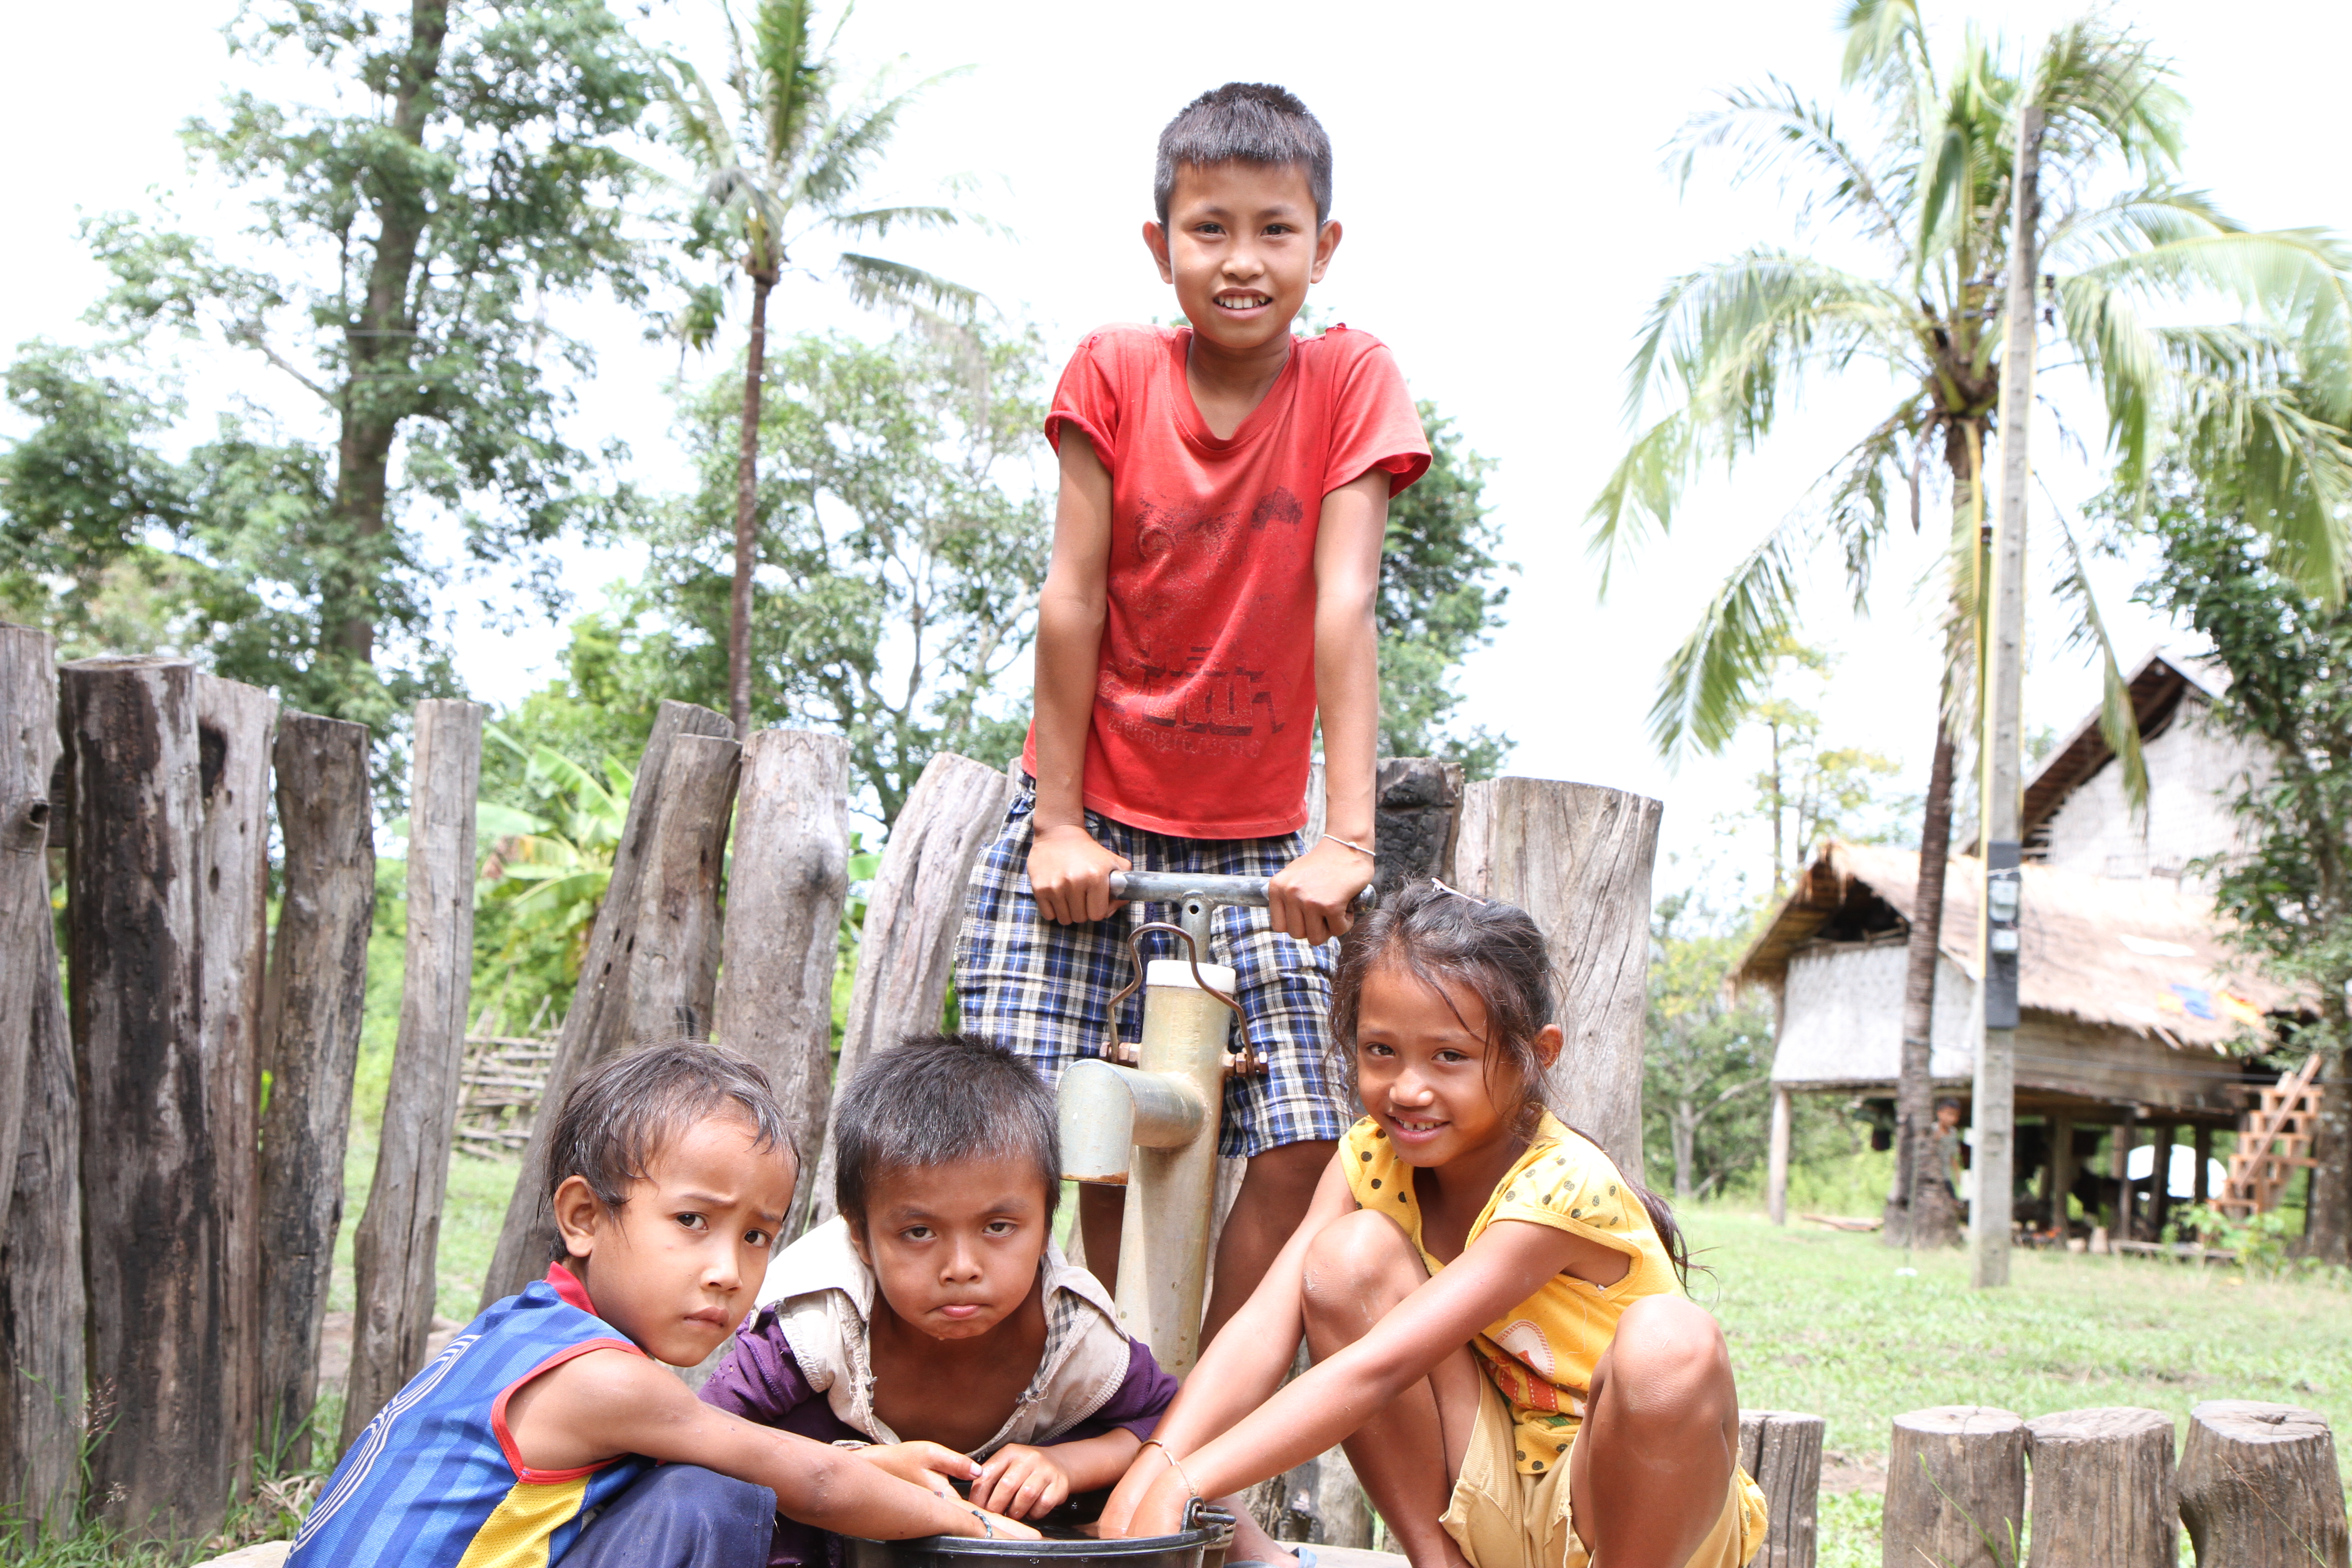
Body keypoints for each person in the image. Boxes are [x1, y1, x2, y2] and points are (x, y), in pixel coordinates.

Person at [955, 78, 1431, 1346]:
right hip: (1097, 816)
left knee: (1313, 1133)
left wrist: (1348, 841)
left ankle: (1189, 1417)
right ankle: (1094, 1389)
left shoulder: (1350, 383)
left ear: (1324, 248)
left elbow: (1345, 607)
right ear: (1160, 244)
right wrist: (1056, 825)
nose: (1241, 261)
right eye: (1208, 228)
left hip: (1262, 837)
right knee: (1045, 1128)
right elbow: (1074, 598)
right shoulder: (1115, 371)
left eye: (1276, 230)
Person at [1096, 883, 1770, 1568]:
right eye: (1380, 1050)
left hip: (1634, 1519)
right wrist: (1157, 1462)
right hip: (1494, 1499)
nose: (1407, 1088)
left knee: (1672, 1343)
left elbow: (1381, 1367)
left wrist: (1189, 1481)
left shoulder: (1564, 1185)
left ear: (1537, 1053)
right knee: (1343, 1260)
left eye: (1449, 1056)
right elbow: (1264, 1325)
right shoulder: (1372, 1155)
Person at [290, 1042, 1034, 1568]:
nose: (726, 1270)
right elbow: (811, 1484)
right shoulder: (602, 1380)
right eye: (691, 1221)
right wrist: (975, 1526)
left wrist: (880, 1463)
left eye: (755, 1236)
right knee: (717, 1497)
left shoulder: (526, 1332)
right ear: (583, 1216)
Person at [701, 1035, 1179, 1567]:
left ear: (1046, 1224)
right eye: (920, 1233)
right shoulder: (816, 1325)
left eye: (998, 1227)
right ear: (860, 1234)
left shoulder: (1071, 1330)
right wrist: (861, 1469)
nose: (961, 1267)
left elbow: (1167, 1423)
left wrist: (1067, 1465)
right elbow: (706, 1435)